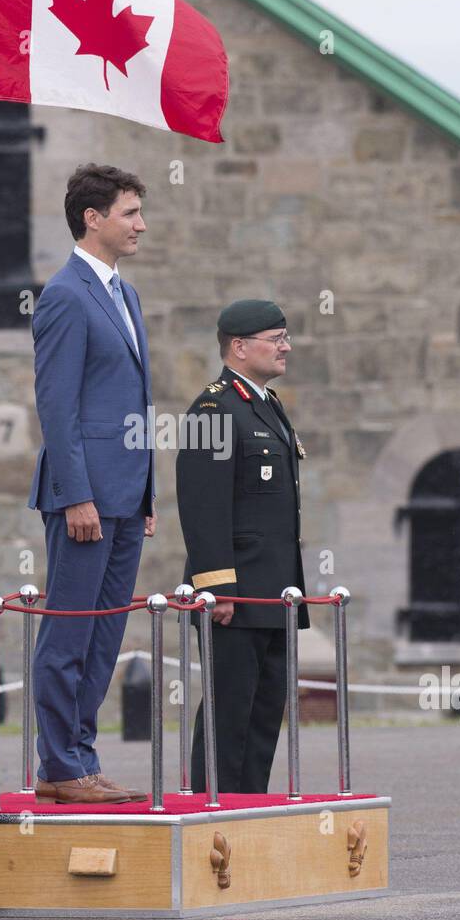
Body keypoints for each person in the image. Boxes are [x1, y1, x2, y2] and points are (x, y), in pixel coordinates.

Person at [28, 164, 156, 805]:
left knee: (104, 635)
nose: (140, 224)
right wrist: (77, 494)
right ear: (93, 219)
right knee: (69, 631)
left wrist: (148, 492)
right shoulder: (65, 294)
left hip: (126, 496)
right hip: (85, 500)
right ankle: (59, 762)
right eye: (130, 212)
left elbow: (136, 400)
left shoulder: (123, 295)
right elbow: (57, 407)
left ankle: (80, 758)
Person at [176, 299, 309, 795]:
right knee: (228, 713)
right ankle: (214, 811)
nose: (286, 347)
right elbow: (203, 506)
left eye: (285, 337)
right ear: (239, 346)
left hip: (274, 590)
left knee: (262, 715)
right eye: (276, 339)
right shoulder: (214, 408)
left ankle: (249, 812)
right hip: (236, 594)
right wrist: (217, 588)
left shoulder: (265, 405)